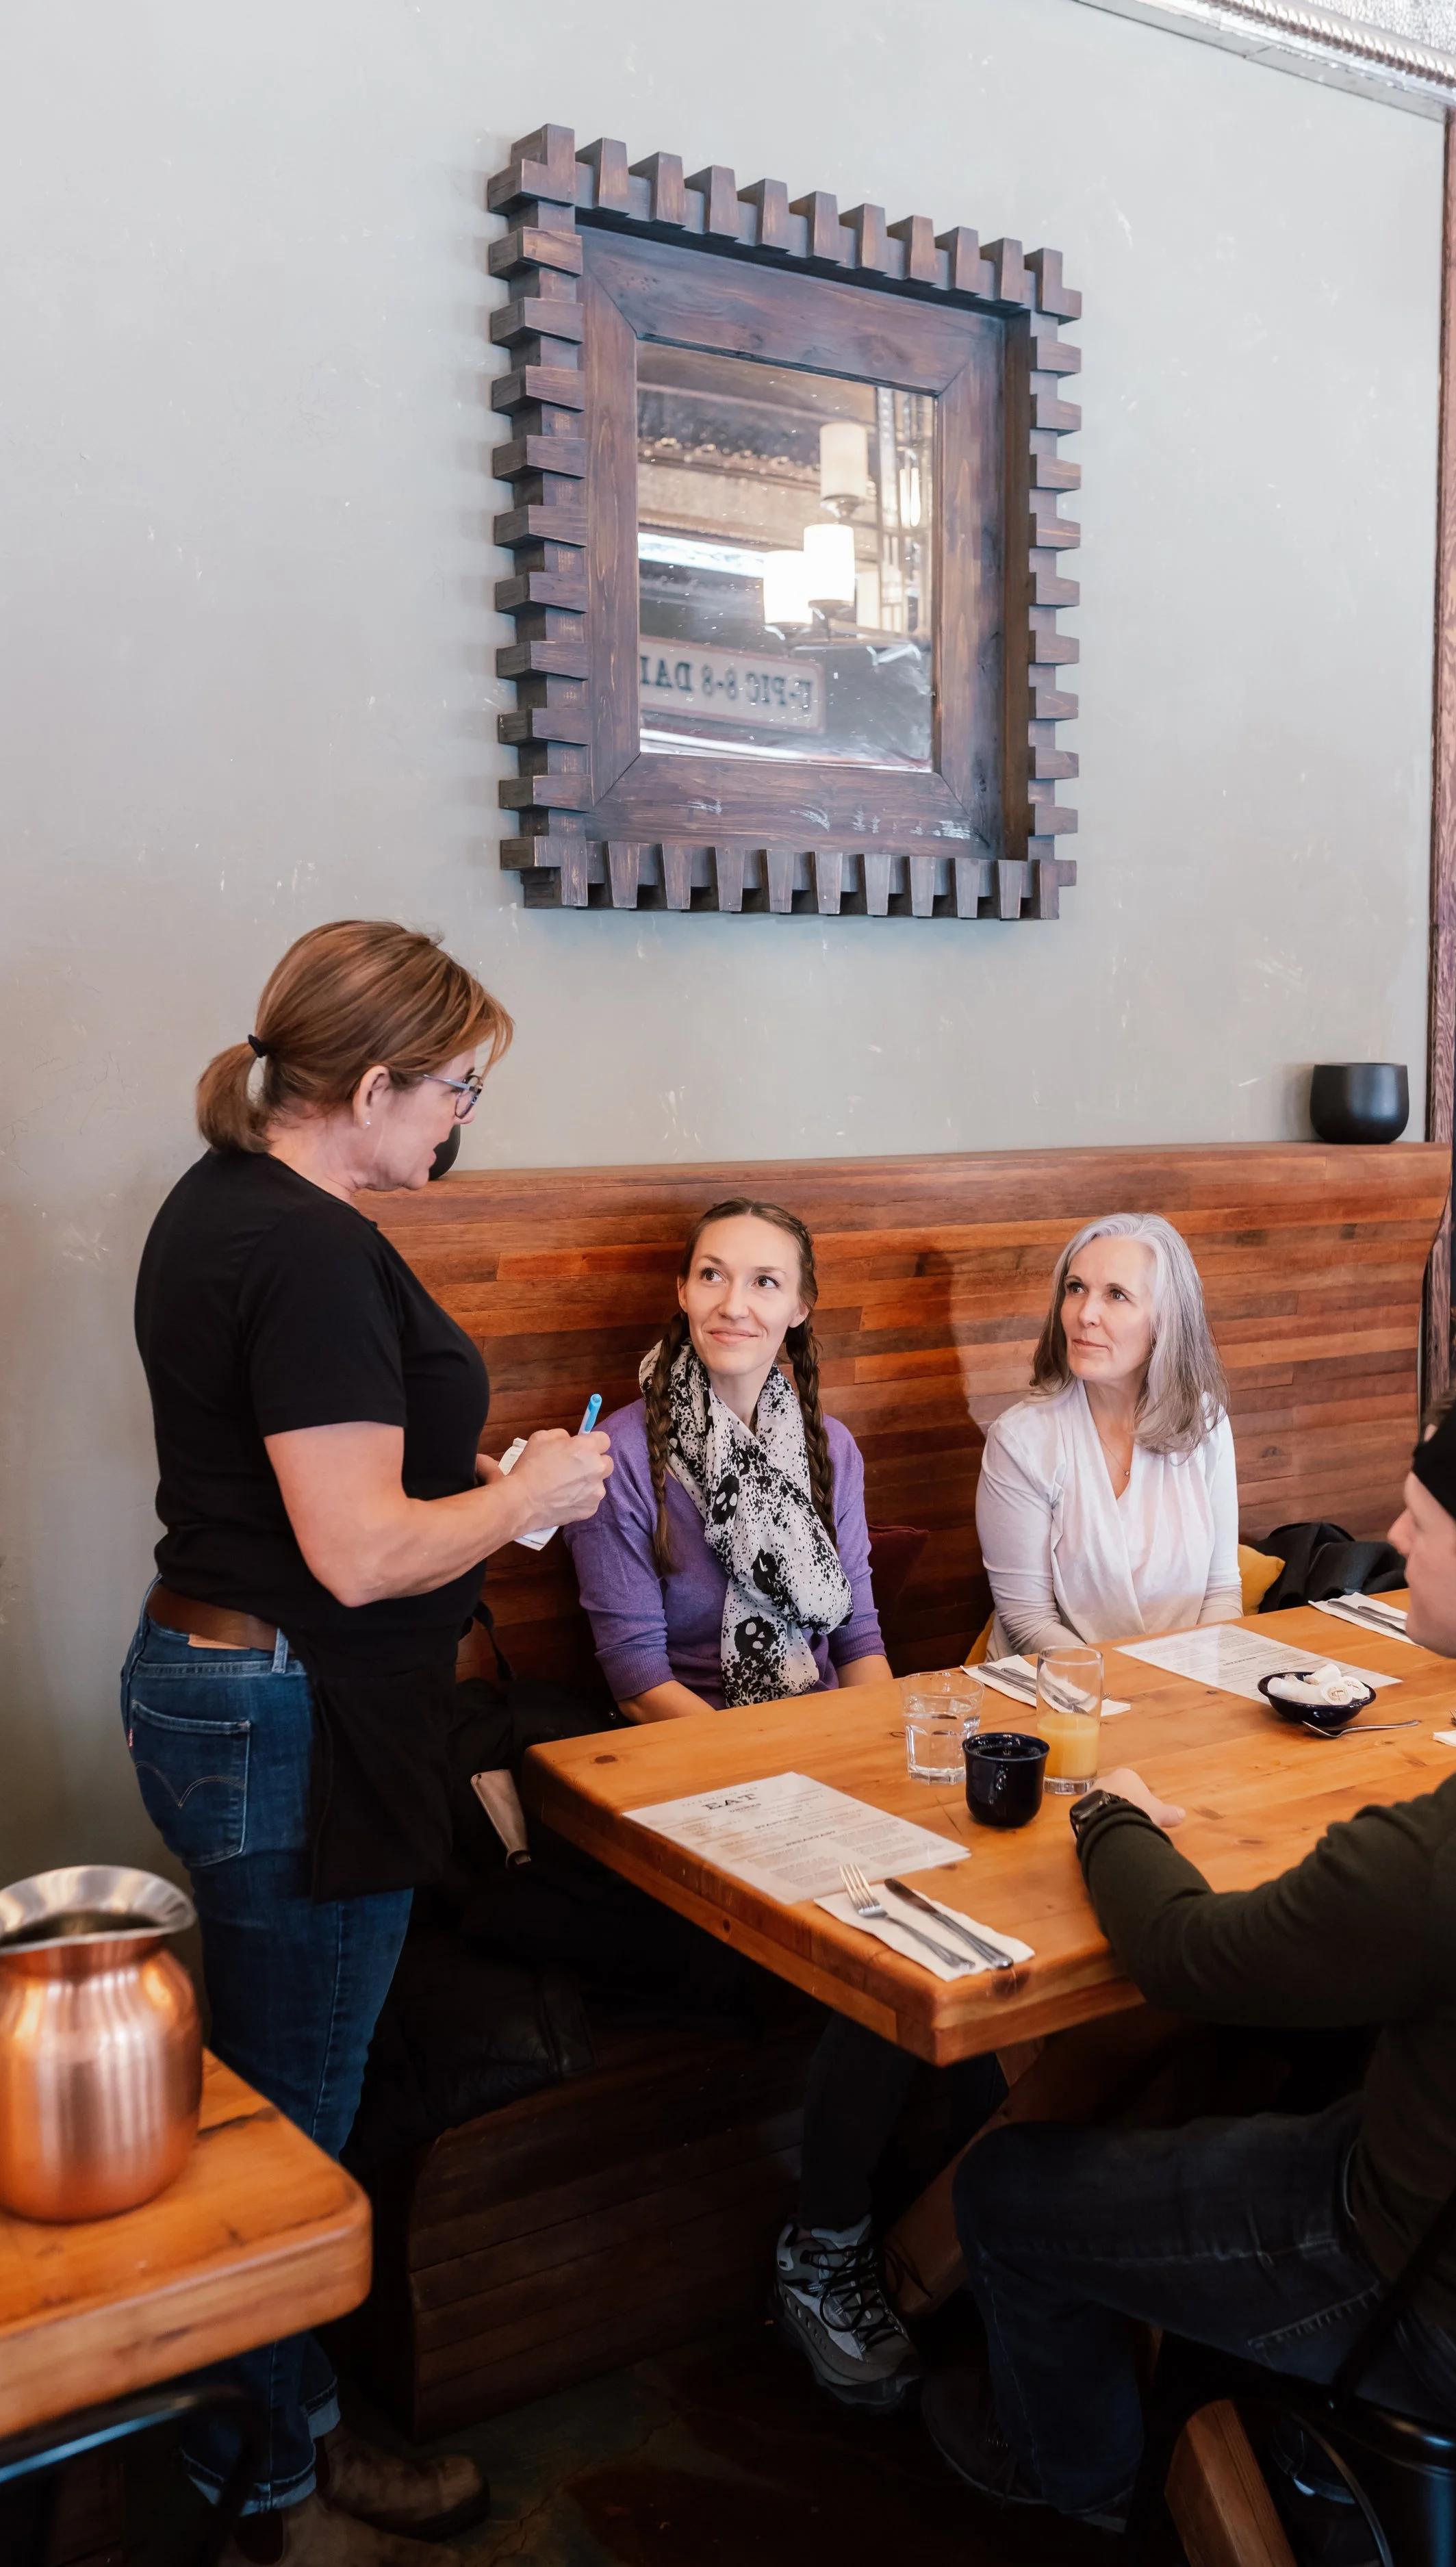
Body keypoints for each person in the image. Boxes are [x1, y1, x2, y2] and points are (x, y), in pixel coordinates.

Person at [926, 1377, 1456, 2537]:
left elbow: (1188, 1957)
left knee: (1006, 2190)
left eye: (1420, 1523)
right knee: (1296, 2082)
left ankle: (1072, 2480)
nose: (1391, 1542)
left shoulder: (1453, 1857)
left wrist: (1112, 1815)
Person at [127, 921, 612, 2566]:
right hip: (297, 1714)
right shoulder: (311, 1246)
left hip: (230, 1681)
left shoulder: (228, 1206)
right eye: (454, 1090)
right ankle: (272, 2481)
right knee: (292, 2132)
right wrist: (526, 1497)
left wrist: (466, 1477)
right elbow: (352, 1552)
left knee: (266, 2107)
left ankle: (274, 2433)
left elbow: (324, 1484)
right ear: (374, 1081)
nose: (461, 1125)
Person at [569, 1199, 995, 2413]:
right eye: (711, 1276)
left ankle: (984, 2227)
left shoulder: (829, 1451)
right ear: (684, 1289)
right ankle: (826, 2250)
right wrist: (790, 1778)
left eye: (763, 1283)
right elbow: (637, 1677)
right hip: (691, 1769)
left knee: (972, 1920)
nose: (731, 1304)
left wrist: (888, 1756)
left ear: (801, 1308)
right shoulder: (628, 1458)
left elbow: (860, 1633)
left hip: (818, 1751)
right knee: (886, 1954)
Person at [975, 1212, 1240, 1657]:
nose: (1085, 1314)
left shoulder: (1205, 1422)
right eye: (1076, 1288)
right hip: (1055, 1694)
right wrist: (1128, 1696)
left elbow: (1222, 1592)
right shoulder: (1020, 1440)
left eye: (1116, 1295)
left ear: (1166, 1322)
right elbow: (1027, 1622)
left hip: (1183, 1691)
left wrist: (1192, 1693)